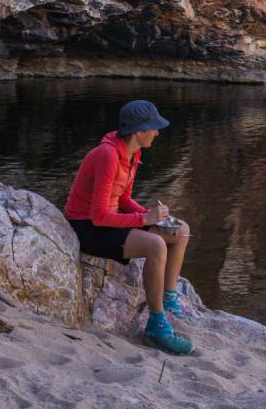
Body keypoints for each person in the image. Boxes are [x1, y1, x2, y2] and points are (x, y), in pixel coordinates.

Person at [64, 99, 194, 355]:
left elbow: (122, 199)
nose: (157, 133)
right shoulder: (108, 155)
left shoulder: (132, 153)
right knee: (156, 245)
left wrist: (149, 215)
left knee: (180, 230)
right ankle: (156, 325)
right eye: (154, 128)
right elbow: (100, 216)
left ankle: (169, 299)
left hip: (108, 219)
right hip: (86, 226)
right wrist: (144, 221)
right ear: (138, 130)